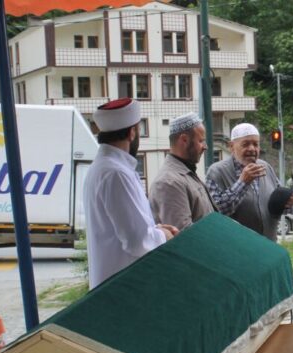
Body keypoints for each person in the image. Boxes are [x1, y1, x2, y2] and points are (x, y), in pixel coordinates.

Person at [83, 98, 178, 289]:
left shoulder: (103, 168)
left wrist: (156, 229)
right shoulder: (116, 173)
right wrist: (165, 235)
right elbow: (138, 241)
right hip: (124, 287)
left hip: (113, 284)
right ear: (132, 132)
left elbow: (123, 227)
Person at [206, 123, 293, 241]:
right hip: (237, 248)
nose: (252, 149)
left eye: (256, 144)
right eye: (246, 144)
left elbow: (276, 207)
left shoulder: (266, 167)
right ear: (231, 146)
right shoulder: (217, 172)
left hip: (268, 245)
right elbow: (219, 211)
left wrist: (289, 202)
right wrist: (243, 182)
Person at [149, 113, 216, 231]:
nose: (205, 147)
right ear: (184, 139)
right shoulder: (169, 182)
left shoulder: (186, 173)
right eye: (201, 141)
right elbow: (184, 237)